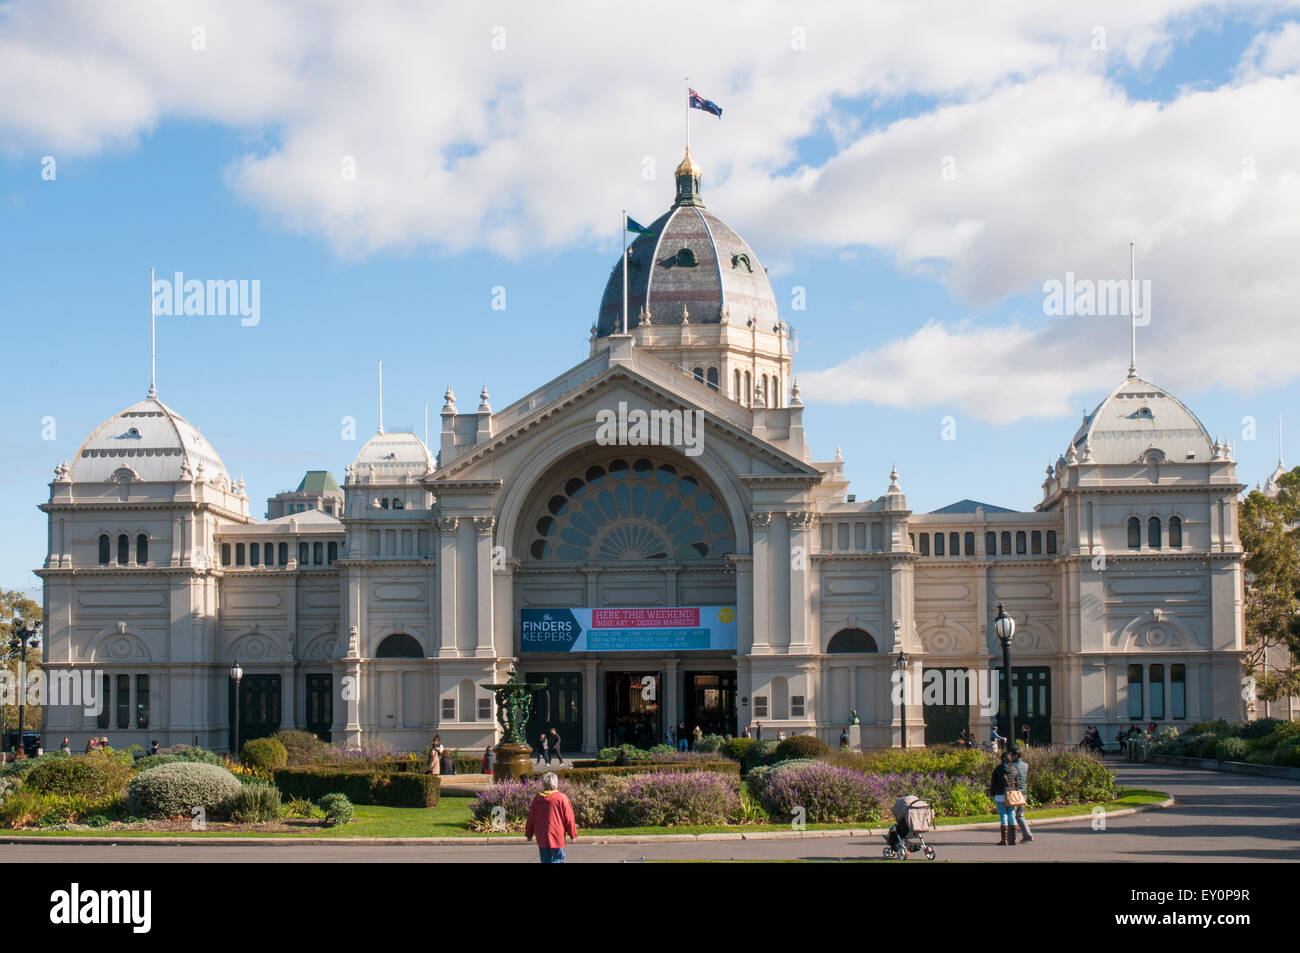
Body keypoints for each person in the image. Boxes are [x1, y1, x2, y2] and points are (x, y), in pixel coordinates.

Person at [525, 772, 577, 863]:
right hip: (557, 836)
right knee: (558, 859)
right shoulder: (561, 798)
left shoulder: (537, 800)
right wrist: (572, 834)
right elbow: (568, 818)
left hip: (542, 836)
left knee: (545, 860)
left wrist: (529, 834)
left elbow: (531, 819)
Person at [990, 751, 1017, 845]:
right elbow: (1016, 781)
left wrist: (992, 793)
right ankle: (1013, 839)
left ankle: (1004, 839)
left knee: (1003, 816)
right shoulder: (1014, 768)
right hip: (1011, 794)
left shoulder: (998, 769)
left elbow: (994, 782)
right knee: (1011, 815)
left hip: (1000, 794)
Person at [1008, 746, 1033, 843]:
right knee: (1020, 815)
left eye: (1011, 755)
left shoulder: (1012, 766)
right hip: (1023, 792)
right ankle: (1027, 834)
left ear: (1015, 756)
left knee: (1011, 814)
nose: (1010, 757)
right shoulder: (1025, 765)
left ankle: (1011, 837)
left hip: (1015, 792)